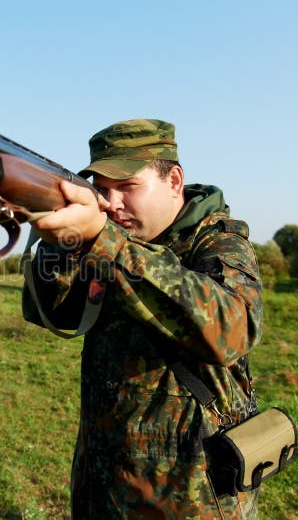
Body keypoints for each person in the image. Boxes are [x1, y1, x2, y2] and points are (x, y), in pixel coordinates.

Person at [22, 119, 263, 518]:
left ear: (174, 181)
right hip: (103, 485)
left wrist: (108, 243)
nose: (112, 203)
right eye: (102, 190)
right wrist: (62, 240)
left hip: (189, 499)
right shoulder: (109, 239)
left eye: (128, 186)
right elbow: (53, 311)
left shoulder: (216, 240)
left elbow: (233, 329)